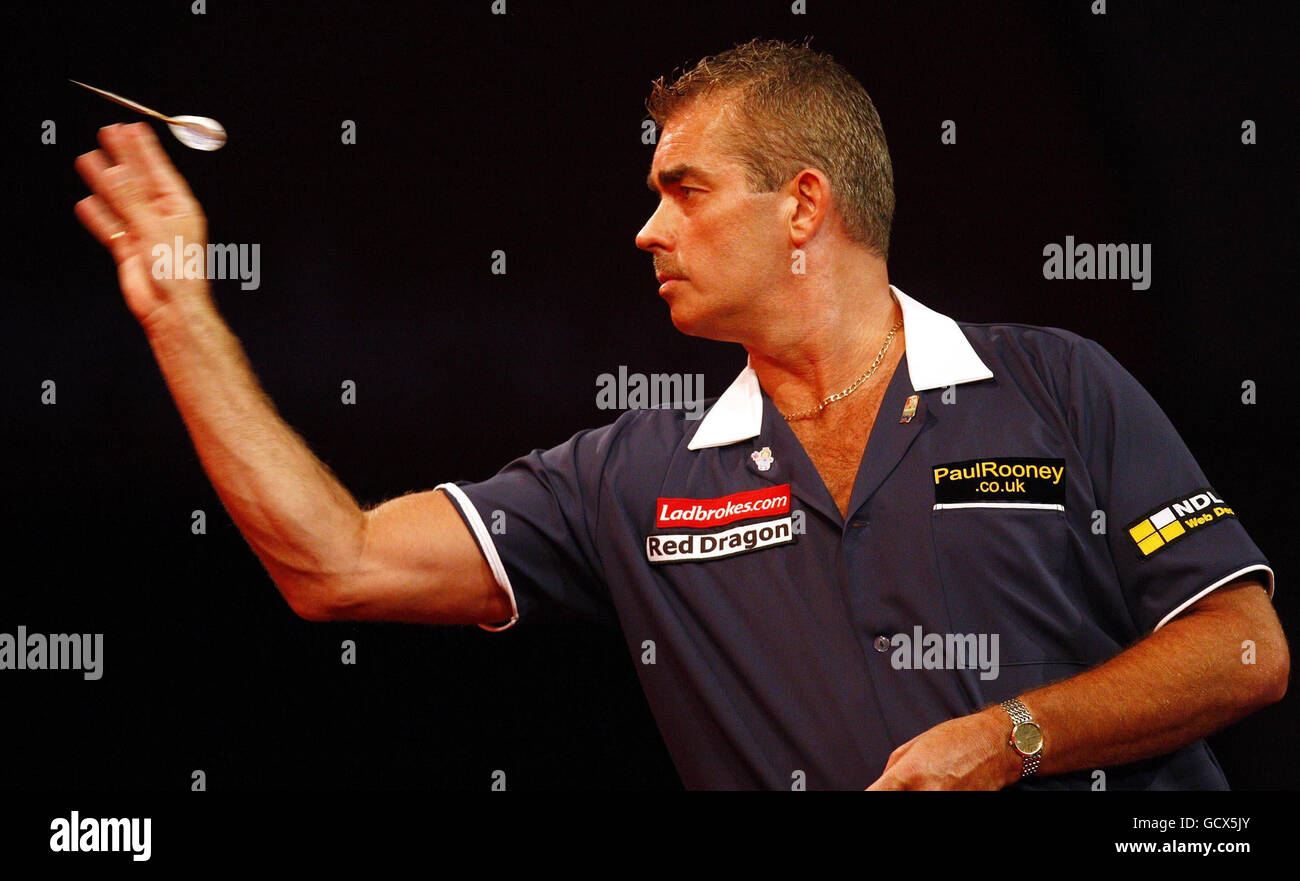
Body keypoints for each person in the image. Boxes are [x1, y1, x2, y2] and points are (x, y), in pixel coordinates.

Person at [74, 38, 1286, 790]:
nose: (646, 229)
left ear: (802, 205)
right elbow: (332, 563)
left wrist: (1010, 734)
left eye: (683, 188)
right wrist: (178, 310)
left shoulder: (1056, 382)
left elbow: (1246, 649)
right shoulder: (631, 473)